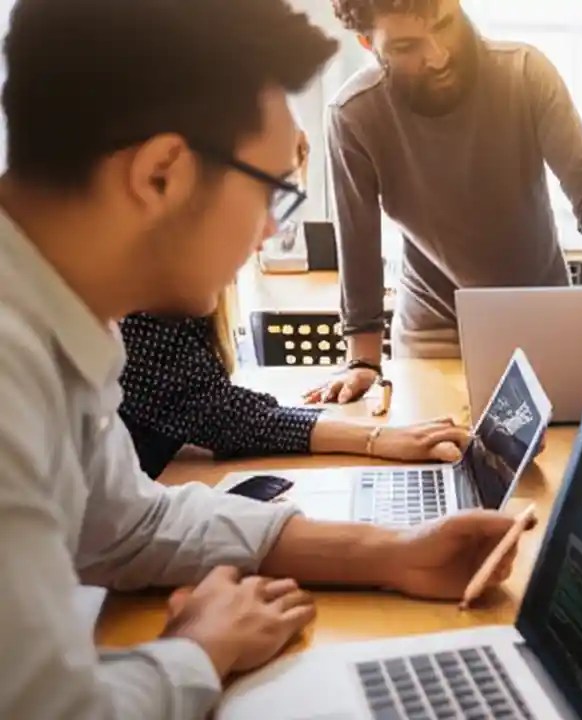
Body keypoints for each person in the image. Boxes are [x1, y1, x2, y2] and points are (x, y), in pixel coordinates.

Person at [0, 2, 529, 718]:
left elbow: (130, 525)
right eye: (272, 190)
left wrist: (393, 553)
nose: (269, 233)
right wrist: (195, 651)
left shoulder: (60, 322)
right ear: (161, 175)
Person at [314, 0, 582, 405]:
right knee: (441, 454)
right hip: (434, 333)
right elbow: (357, 241)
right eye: (406, 47)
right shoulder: (354, 116)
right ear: (369, 44)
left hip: (544, 317)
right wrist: (363, 361)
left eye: (446, 24)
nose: (437, 56)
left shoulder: (524, 72)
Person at [120, 297, 467, 479]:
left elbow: (211, 405)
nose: (270, 228)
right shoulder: (136, 313)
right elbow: (217, 416)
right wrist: (375, 438)